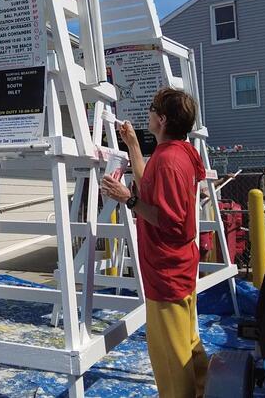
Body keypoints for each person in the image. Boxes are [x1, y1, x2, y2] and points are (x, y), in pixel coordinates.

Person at [100, 87, 208, 398]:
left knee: (171, 361)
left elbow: (169, 220)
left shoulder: (169, 161)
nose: (147, 113)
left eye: (151, 109)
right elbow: (152, 185)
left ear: (161, 119)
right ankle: (205, 390)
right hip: (180, 269)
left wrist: (128, 199)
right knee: (187, 344)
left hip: (166, 274)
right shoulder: (180, 152)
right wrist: (133, 145)